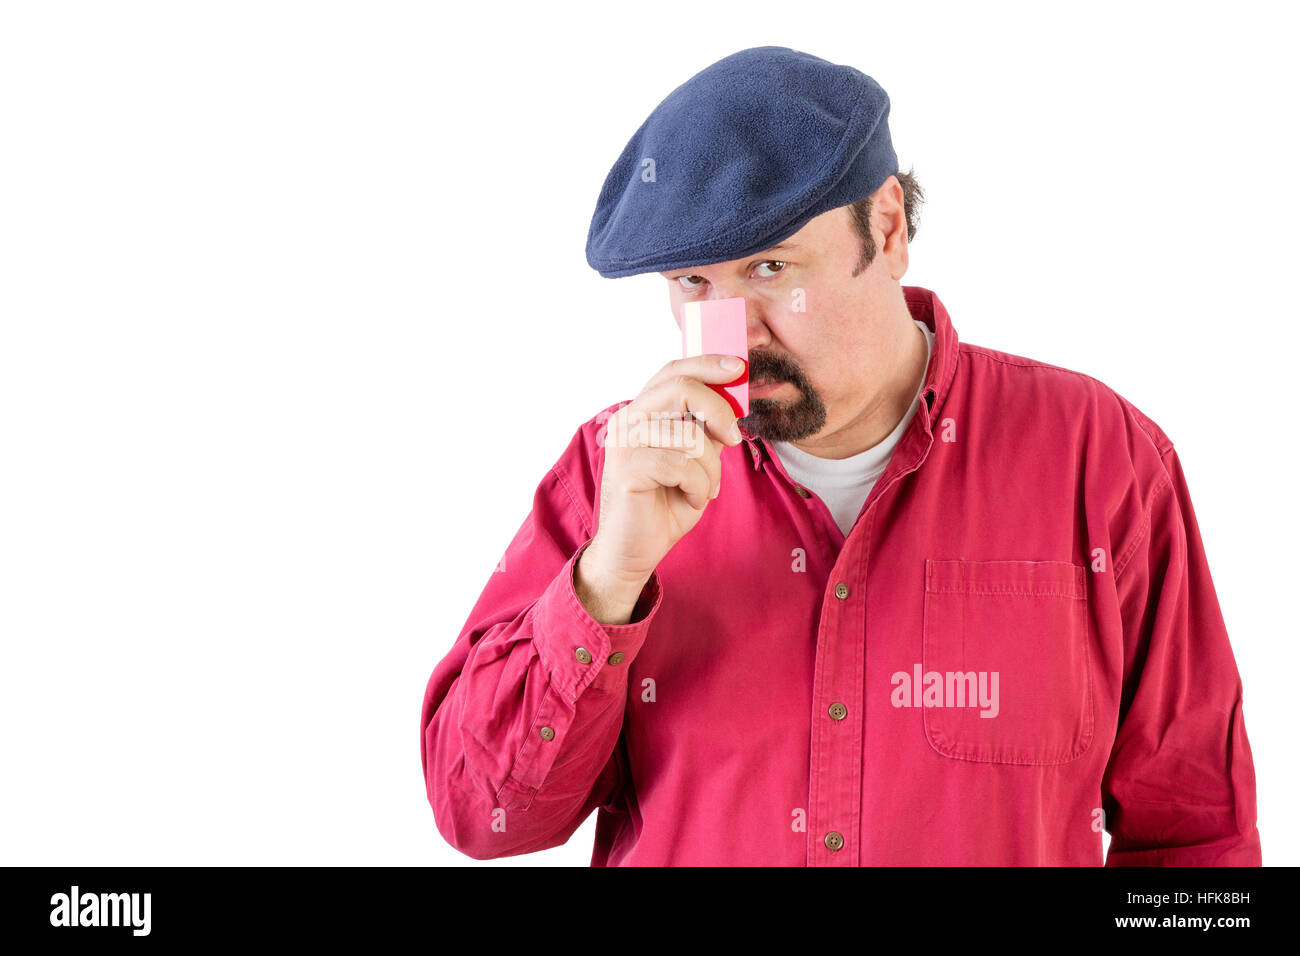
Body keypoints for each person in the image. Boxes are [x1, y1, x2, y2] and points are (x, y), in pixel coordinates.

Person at [419, 46, 1261, 865]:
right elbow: (480, 817)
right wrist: (607, 581)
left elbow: (1196, 834)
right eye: (693, 285)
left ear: (887, 229)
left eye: (771, 267)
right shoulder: (616, 473)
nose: (735, 337)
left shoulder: (1101, 460)